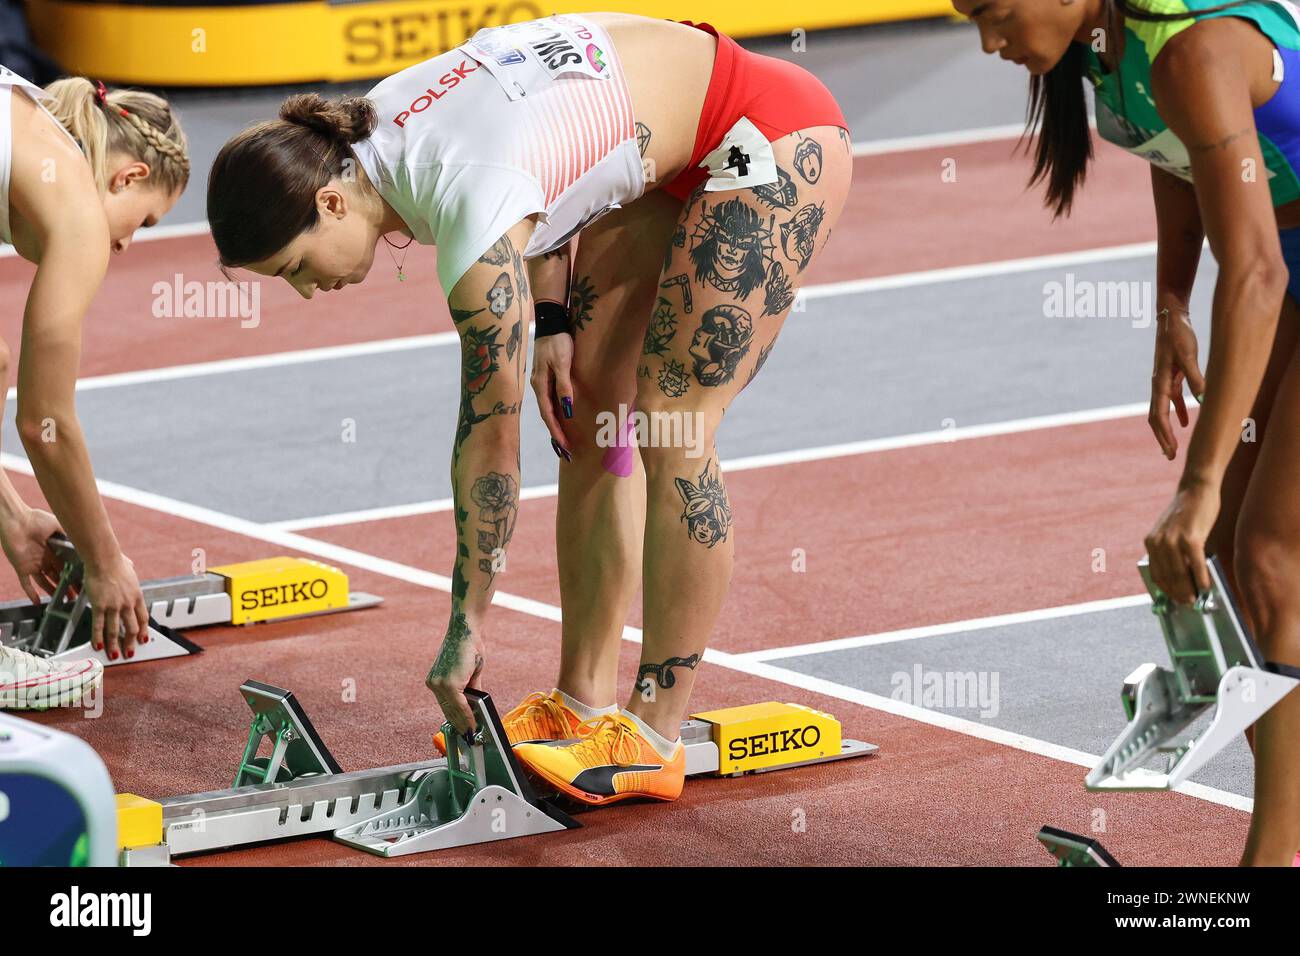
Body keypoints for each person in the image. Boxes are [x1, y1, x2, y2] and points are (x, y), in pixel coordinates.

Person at [207, 11, 852, 805]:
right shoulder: (369, 138)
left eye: (296, 267)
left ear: (332, 204)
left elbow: (490, 443)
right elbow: (551, 159)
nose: (308, 290)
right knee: (591, 415)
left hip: (764, 136)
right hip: (666, 151)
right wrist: (550, 319)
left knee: (671, 418)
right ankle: (583, 701)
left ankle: (654, 732)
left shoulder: (465, 211)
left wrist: (465, 624)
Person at [955, 0, 1300, 865]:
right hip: (1291, 256)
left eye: (992, 12)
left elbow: (1253, 269)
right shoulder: (1106, 52)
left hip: (1279, 262)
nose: (988, 42)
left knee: (1266, 555)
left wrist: (1199, 481)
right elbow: (1173, 155)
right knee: (1222, 566)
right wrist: (1171, 308)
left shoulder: (1190, 48)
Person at [0, 67, 190, 710]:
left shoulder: (22, 132)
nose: (127, 244)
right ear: (128, 176)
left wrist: (14, 519)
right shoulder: (75, 206)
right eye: (145, 221)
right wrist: (105, 561)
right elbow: (43, 423)